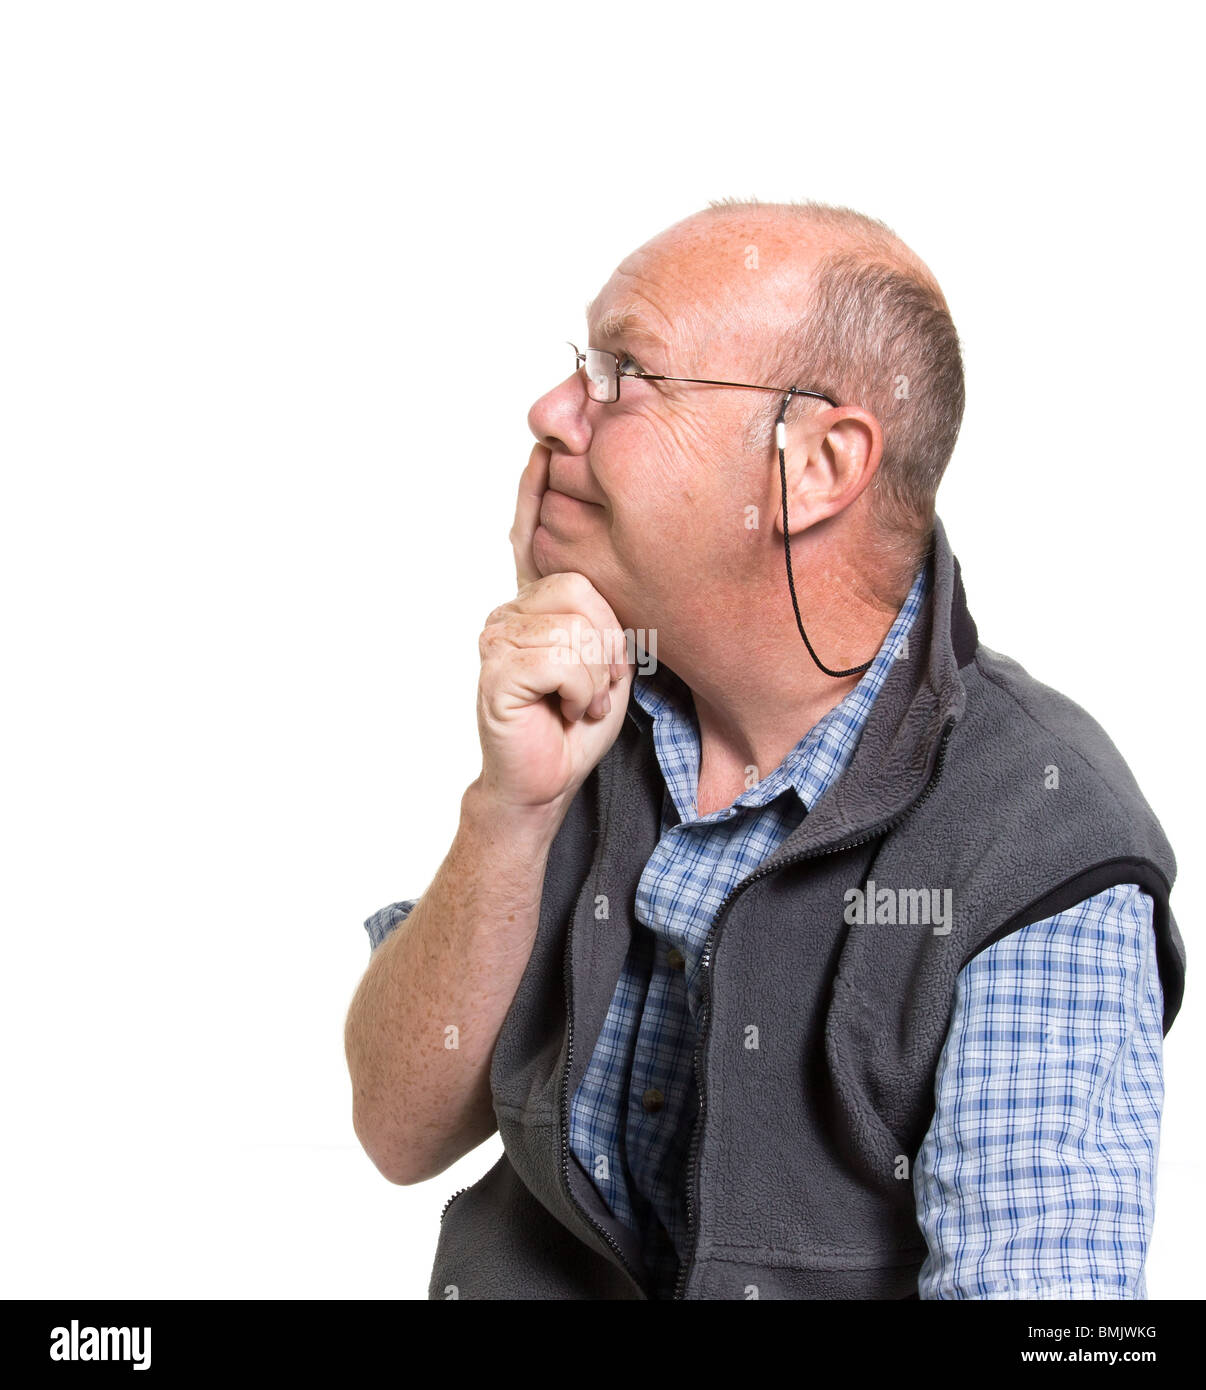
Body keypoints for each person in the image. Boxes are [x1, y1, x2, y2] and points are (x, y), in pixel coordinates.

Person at [343, 199, 1185, 1300]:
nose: (551, 410)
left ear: (818, 464)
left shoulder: (1039, 847)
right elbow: (400, 1131)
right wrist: (511, 810)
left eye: (624, 370)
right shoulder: (602, 700)